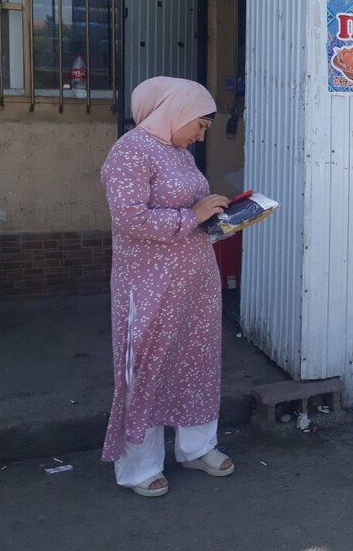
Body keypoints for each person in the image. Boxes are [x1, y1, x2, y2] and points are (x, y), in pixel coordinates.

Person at [100, 77, 234, 497]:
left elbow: (192, 213)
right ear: (174, 111)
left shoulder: (179, 154)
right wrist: (191, 216)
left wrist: (217, 220)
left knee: (196, 362)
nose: (200, 135)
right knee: (147, 368)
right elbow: (130, 220)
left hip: (195, 281)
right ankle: (140, 465)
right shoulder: (130, 152)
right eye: (200, 125)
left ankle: (196, 447)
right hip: (148, 285)